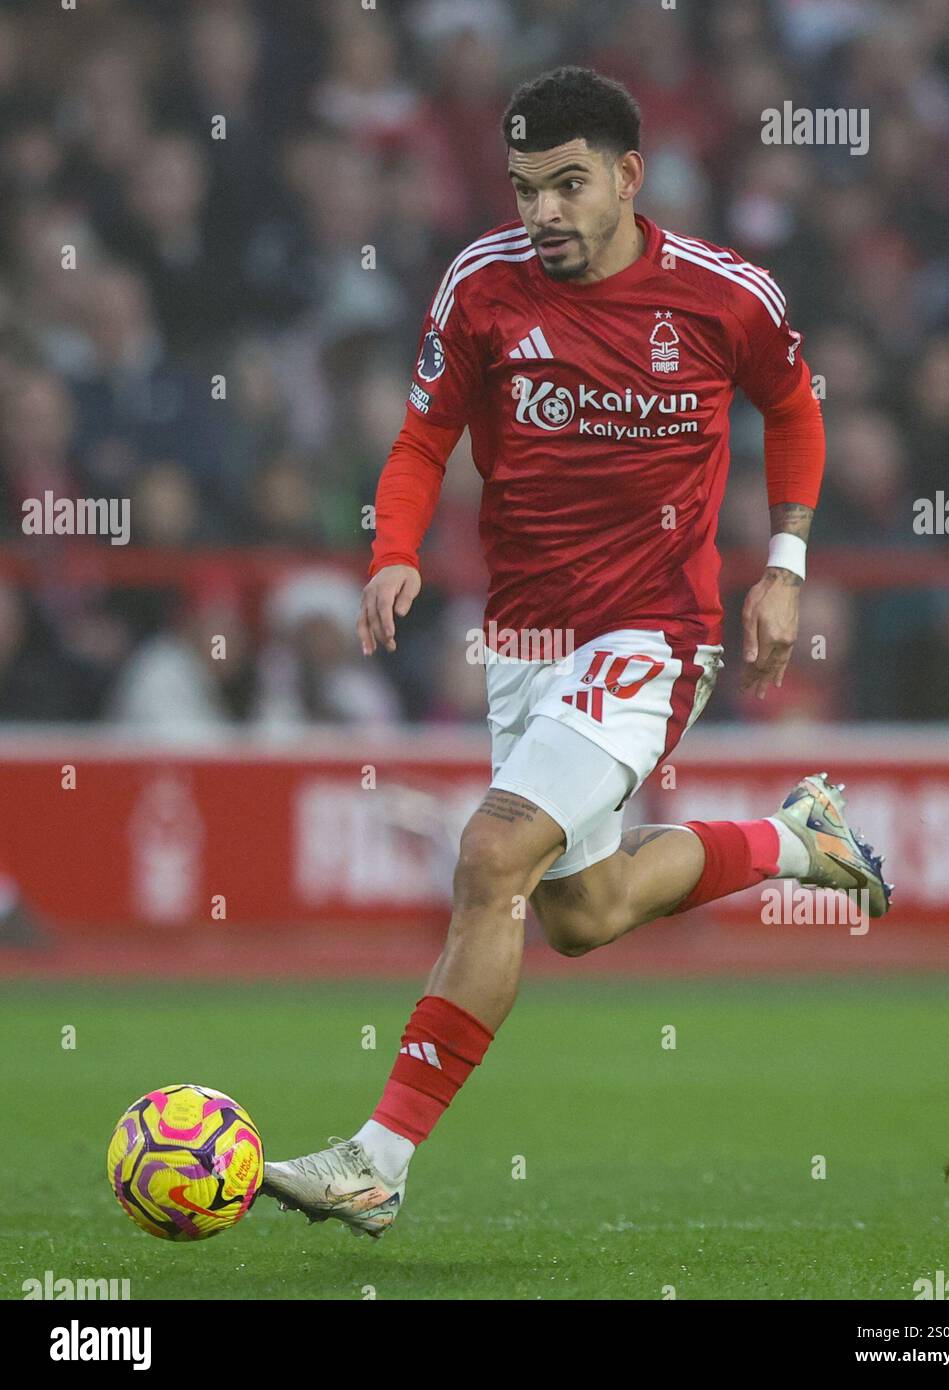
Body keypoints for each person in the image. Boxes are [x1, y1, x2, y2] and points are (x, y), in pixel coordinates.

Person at [262, 66, 891, 1237]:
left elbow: (795, 407)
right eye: (521, 189)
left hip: (654, 633)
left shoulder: (721, 295)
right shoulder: (479, 284)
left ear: (626, 178)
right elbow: (420, 434)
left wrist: (787, 568)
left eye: (565, 185)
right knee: (579, 911)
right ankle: (792, 840)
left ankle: (378, 1156)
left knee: (490, 855)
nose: (541, 212)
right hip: (524, 638)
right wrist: (393, 547)